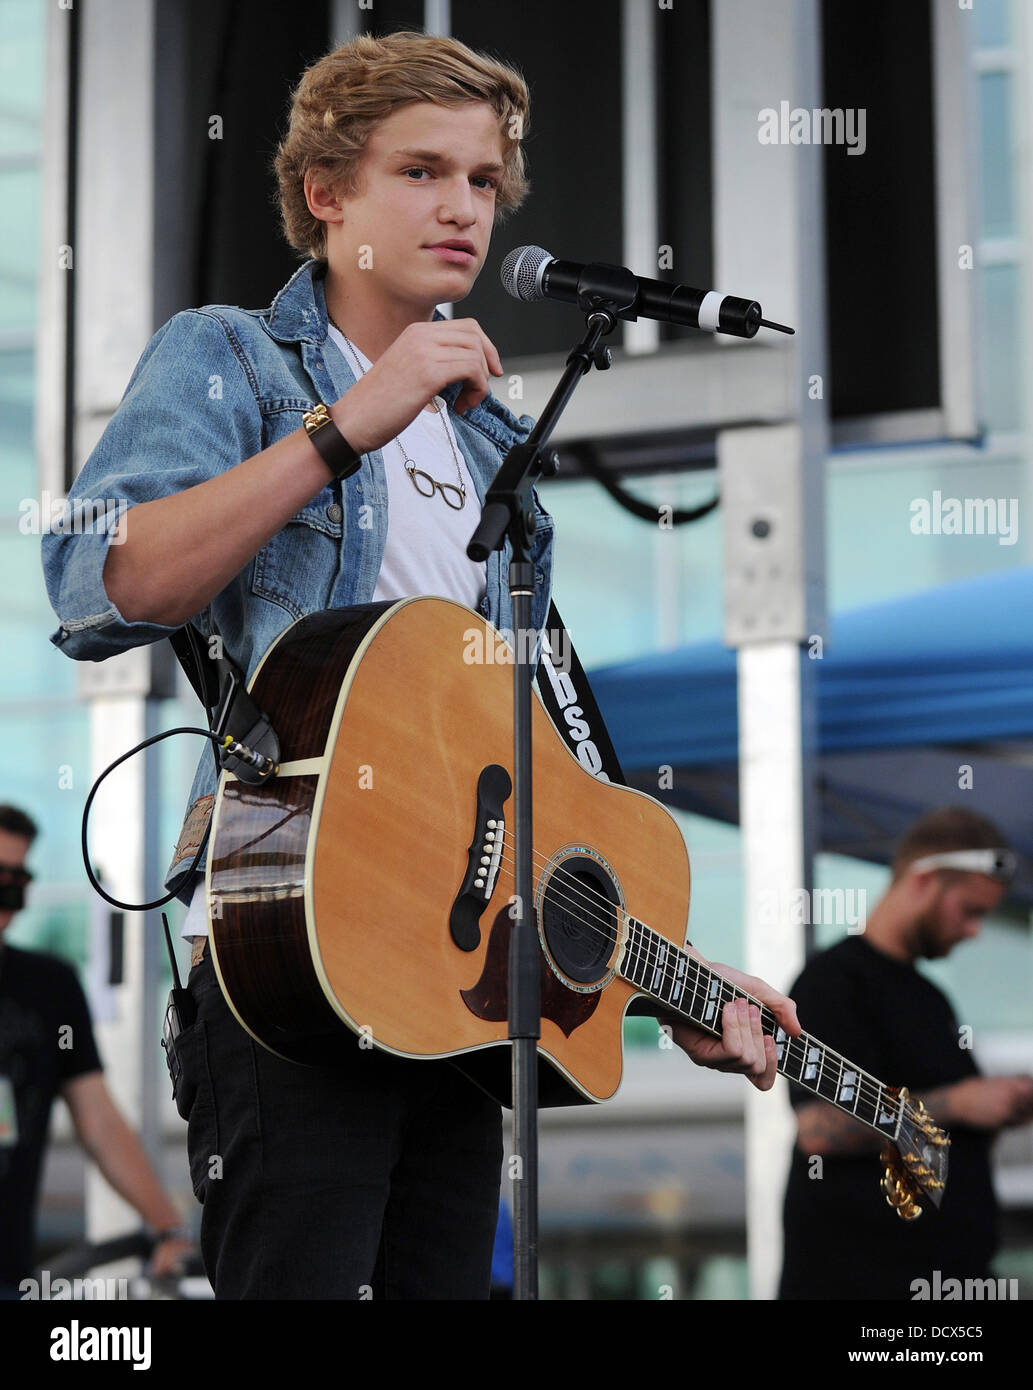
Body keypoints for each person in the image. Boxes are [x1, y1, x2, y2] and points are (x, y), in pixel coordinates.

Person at [43, 31, 799, 1299]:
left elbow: (539, 762)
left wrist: (668, 964)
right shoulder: (229, 354)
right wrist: (348, 425)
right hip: (288, 936)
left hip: (453, 985)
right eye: (421, 171)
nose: (463, 207)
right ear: (326, 194)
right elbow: (98, 584)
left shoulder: (494, 443)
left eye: (484, 180)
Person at [779, 806, 1033, 1301]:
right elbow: (817, 1129)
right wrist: (961, 1103)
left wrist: (999, 1104)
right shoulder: (832, 983)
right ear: (924, 881)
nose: (974, 931)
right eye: (970, 911)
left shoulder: (931, 999)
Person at [0, 804, 192, 1299]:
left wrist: (166, 1227)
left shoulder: (50, 987)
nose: (8, 893)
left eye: (17, 879)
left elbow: (99, 1120)